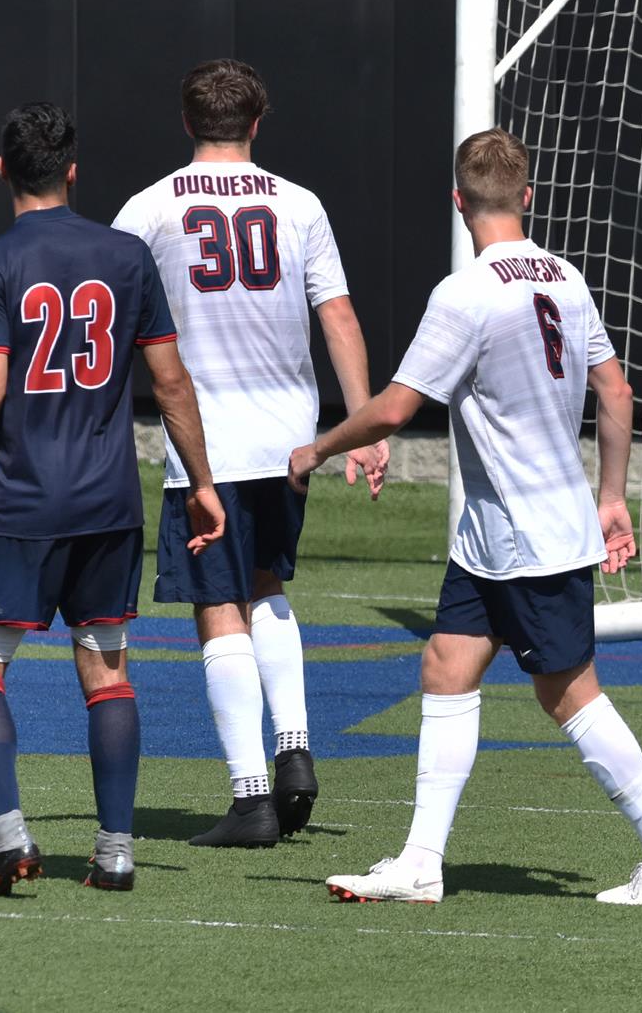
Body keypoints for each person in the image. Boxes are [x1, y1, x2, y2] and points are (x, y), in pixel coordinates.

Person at [293, 128, 642, 905]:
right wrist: (612, 494)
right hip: (496, 535)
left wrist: (318, 449)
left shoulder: (466, 291)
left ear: (457, 202)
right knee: (447, 663)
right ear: (528, 196)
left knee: (569, 692)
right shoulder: (566, 277)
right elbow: (616, 393)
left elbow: (398, 407)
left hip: (526, 535)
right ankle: (420, 860)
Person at [0, 102, 225, 895]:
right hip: (110, 504)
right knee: (108, 672)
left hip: (23, 503)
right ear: (73, 172)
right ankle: (116, 850)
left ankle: (9, 835)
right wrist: (203, 484)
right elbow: (171, 382)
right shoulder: (126, 255)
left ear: (2, 171)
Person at [112, 59, 388, 847]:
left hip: (207, 439)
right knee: (264, 583)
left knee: (215, 603)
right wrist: (363, 425)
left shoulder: (151, 207)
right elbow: (337, 317)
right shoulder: (298, 203)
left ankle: (250, 797)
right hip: (289, 438)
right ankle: (295, 748)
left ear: (187, 121)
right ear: (257, 122)